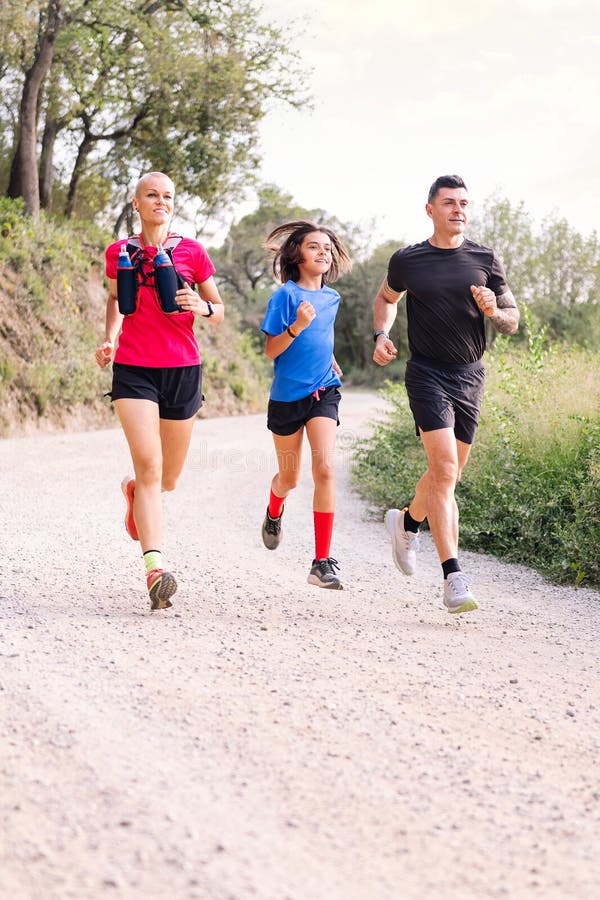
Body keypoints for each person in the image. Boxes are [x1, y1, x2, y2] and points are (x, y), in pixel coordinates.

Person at [372, 175, 519, 614]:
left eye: (464, 203)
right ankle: (454, 576)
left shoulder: (485, 258)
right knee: (445, 466)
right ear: (430, 209)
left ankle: (407, 521)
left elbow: (512, 319)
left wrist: (495, 311)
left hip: (471, 374)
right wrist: (381, 333)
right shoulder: (408, 260)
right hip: (427, 373)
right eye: (449, 202)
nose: (458, 209)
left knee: (446, 477)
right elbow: (385, 298)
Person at [95, 171, 224, 610]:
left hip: (183, 369)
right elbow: (116, 299)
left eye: (167, 196)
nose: (160, 201)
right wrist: (110, 337)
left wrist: (202, 306)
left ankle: (134, 494)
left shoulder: (192, 252)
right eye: (152, 195)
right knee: (149, 466)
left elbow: (218, 309)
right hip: (134, 369)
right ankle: (155, 569)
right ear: (137, 203)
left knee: (166, 479)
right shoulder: (119, 252)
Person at [260, 220, 352, 589]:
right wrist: (296, 327)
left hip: (323, 391)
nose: (323, 253)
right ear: (297, 254)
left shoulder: (332, 298)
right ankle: (273, 508)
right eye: (315, 246)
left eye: (327, 248)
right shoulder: (284, 296)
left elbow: (322, 336)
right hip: (286, 398)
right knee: (289, 478)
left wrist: (327, 359)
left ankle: (321, 562)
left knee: (326, 470)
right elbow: (272, 350)